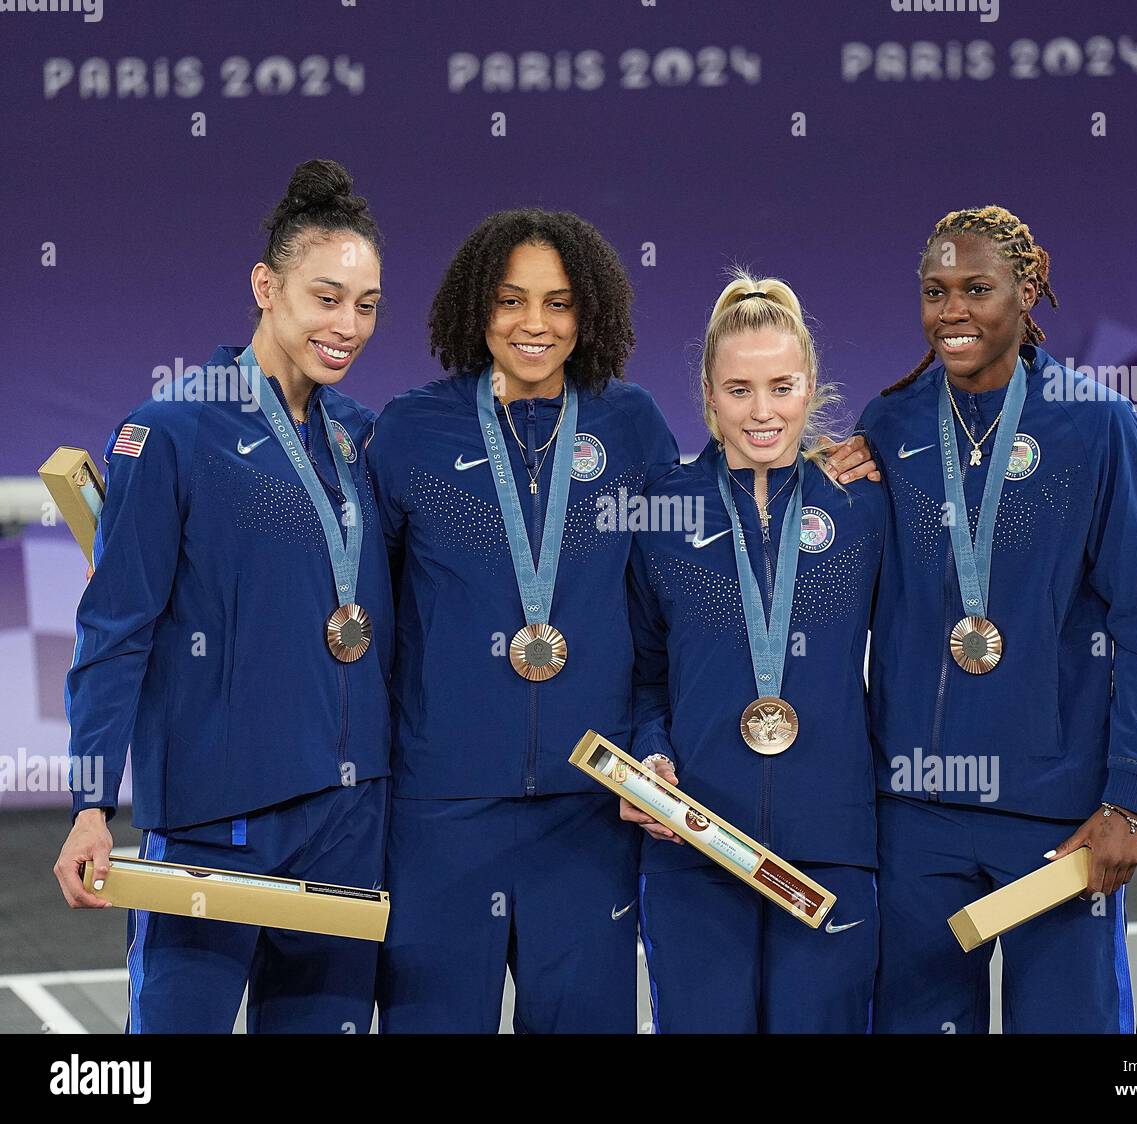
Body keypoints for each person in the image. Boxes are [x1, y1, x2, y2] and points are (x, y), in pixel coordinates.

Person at [369, 211, 878, 1033]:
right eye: (511, 300)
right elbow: (367, 605)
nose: (535, 324)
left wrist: (831, 466)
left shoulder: (630, 425)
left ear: (589, 312)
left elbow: (697, 570)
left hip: (590, 812)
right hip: (444, 807)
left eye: (559, 302)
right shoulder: (408, 432)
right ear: (476, 306)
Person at [53, 159, 394, 1034]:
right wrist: (90, 803)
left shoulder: (362, 440)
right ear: (265, 287)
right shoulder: (170, 431)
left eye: (366, 306)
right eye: (326, 298)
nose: (348, 326)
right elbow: (115, 631)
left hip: (348, 822)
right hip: (216, 824)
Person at [857, 205, 1137, 1034]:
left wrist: (1127, 800)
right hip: (916, 816)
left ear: (1027, 290)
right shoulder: (890, 425)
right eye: (935, 291)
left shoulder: (1096, 424)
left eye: (977, 288)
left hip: (1057, 817)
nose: (952, 311)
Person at [623, 271, 887, 1033]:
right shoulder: (663, 512)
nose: (762, 411)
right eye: (740, 390)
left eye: (782, 386)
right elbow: (642, 675)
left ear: (812, 388)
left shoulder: (864, 504)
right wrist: (652, 757)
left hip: (830, 842)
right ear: (709, 395)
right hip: (696, 843)